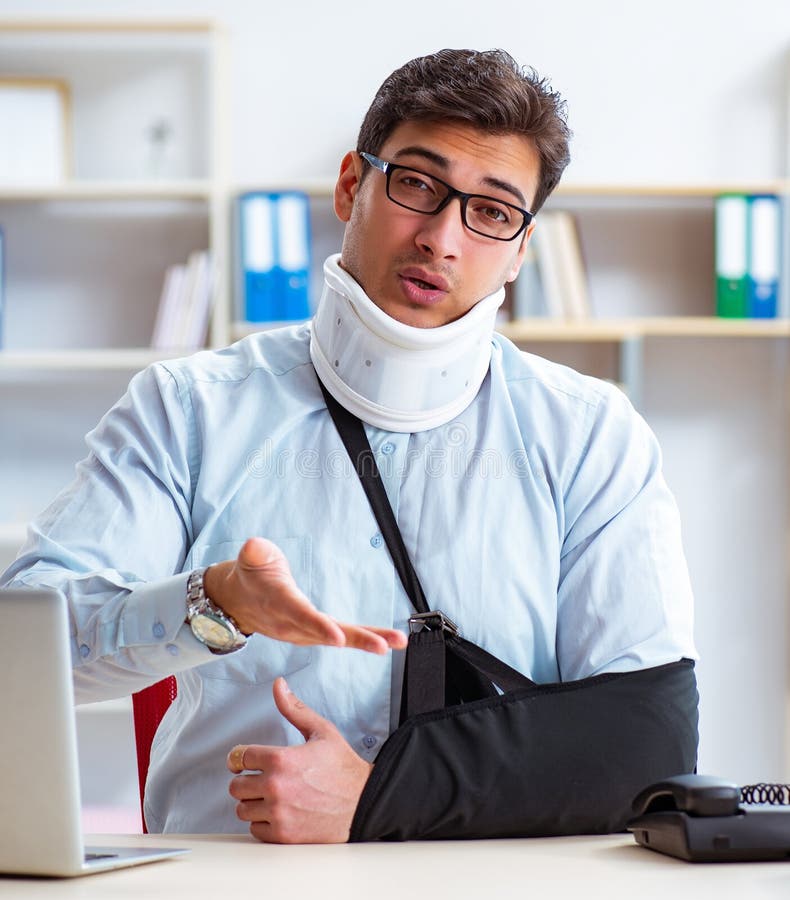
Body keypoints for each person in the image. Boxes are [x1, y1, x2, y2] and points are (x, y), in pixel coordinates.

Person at [1, 48, 698, 844]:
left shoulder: (591, 435)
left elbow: (647, 738)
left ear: (520, 251)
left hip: (494, 880)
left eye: (492, 212)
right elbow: (24, 655)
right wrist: (212, 604)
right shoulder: (188, 409)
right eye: (418, 185)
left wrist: (383, 798)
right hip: (231, 877)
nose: (442, 238)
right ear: (350, 185)